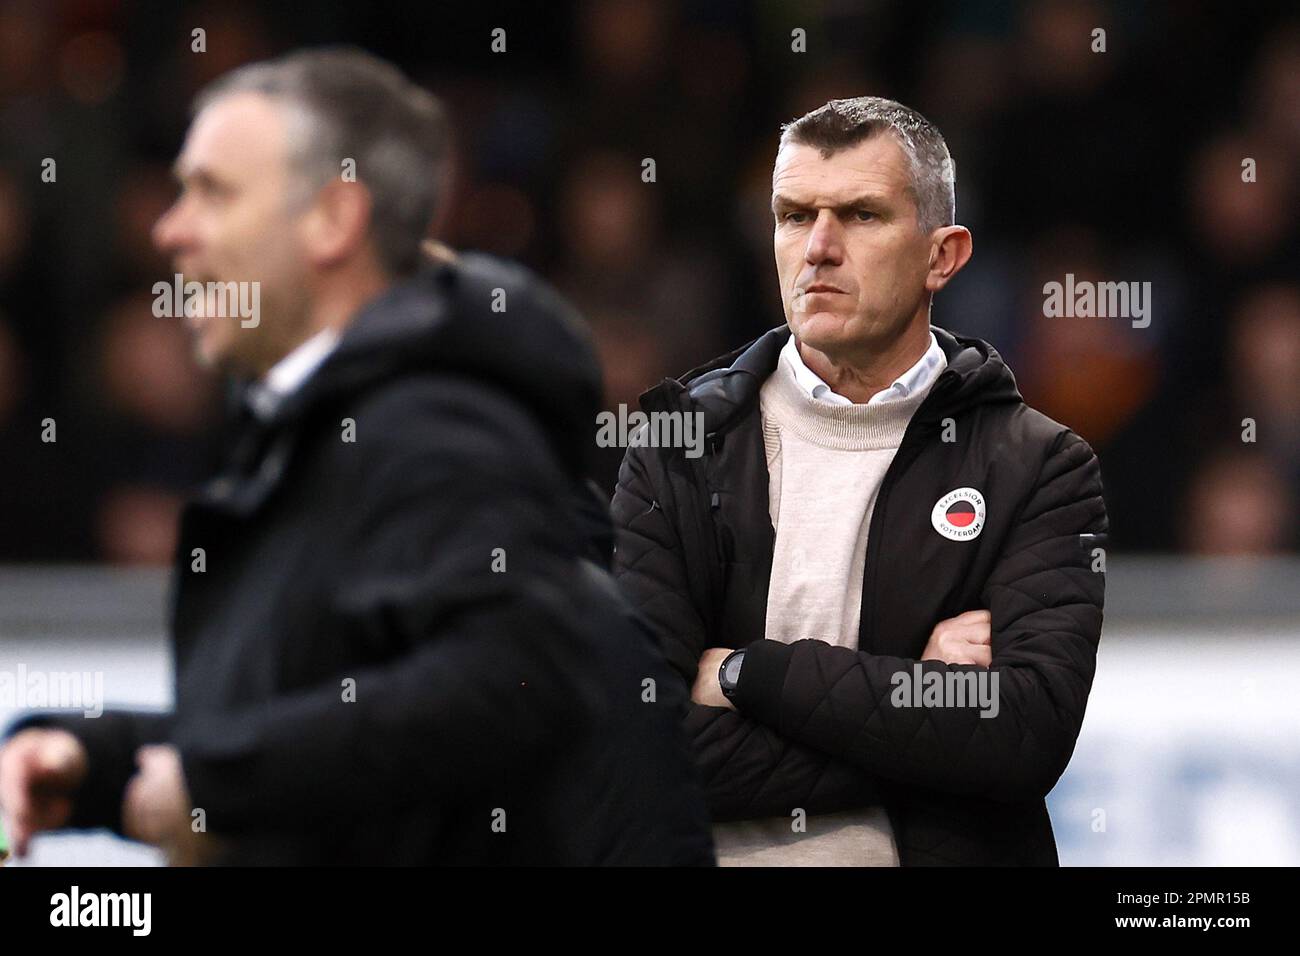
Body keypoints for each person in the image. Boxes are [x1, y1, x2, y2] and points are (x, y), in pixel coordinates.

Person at [0, 47, 714, 866]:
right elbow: (348, 728)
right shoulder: (328, 436)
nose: (170, 229)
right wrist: (99, 761)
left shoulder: (437, 427)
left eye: (212, 191)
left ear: (333, 219)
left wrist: (212, 781)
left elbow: (504, 686)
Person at [612, 96, 1107, 865]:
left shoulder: (1038, 465)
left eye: (861, 216)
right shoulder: (678, 447)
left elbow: (1021, 738)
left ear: (942, 256)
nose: (817, 248)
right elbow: (632, 747)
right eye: (791, 214)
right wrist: (914, 701)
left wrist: (749, 672)